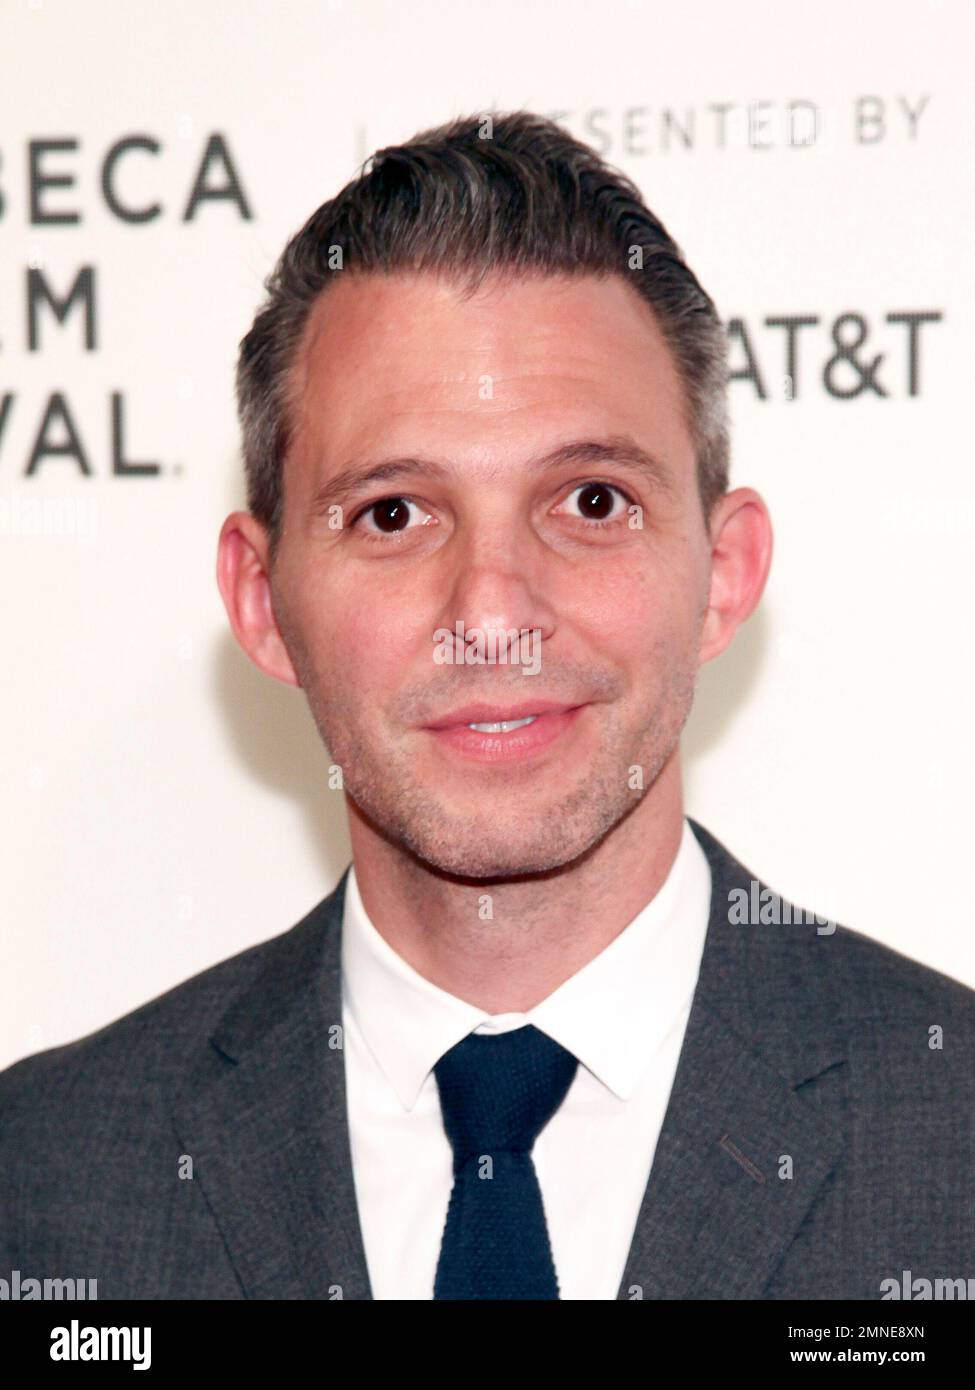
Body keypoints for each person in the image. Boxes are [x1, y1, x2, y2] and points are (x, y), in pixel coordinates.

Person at [2, 110, 973, 1302]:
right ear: (262, 602)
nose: (495, 610)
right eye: (395, 513)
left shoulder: (953, 1129)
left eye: (594, 500)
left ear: (724, 575)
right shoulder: (43, 1181)